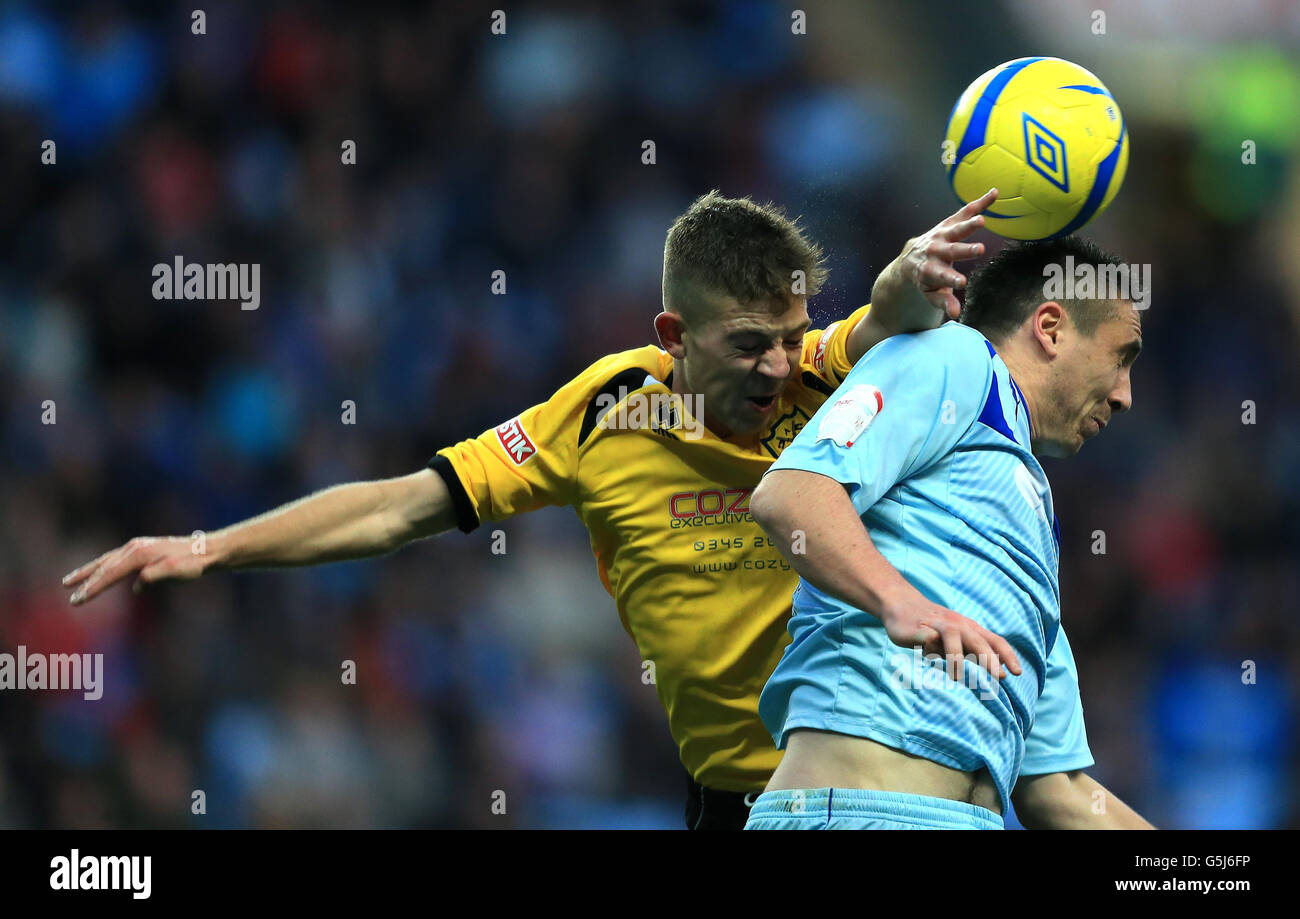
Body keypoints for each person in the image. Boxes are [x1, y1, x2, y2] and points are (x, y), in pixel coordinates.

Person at [62, 188, 1000, 830]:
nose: (779, 367)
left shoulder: (821, 379)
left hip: (872, 776)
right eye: (750, 344)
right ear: (673, 335)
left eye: (791, 339)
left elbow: (879, 320)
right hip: (732, 800)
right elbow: (400, 508)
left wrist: (906, 273)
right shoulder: (604, 412)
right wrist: (211, 546)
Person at [743, 236, 1155, 829]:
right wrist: (900, 601)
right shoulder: (957, 358)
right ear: (1051, 327)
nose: (1125, 396)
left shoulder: (1032, 527)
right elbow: (792, 494)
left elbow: (1054, 789)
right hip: (864, 811)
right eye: (1123, 356)